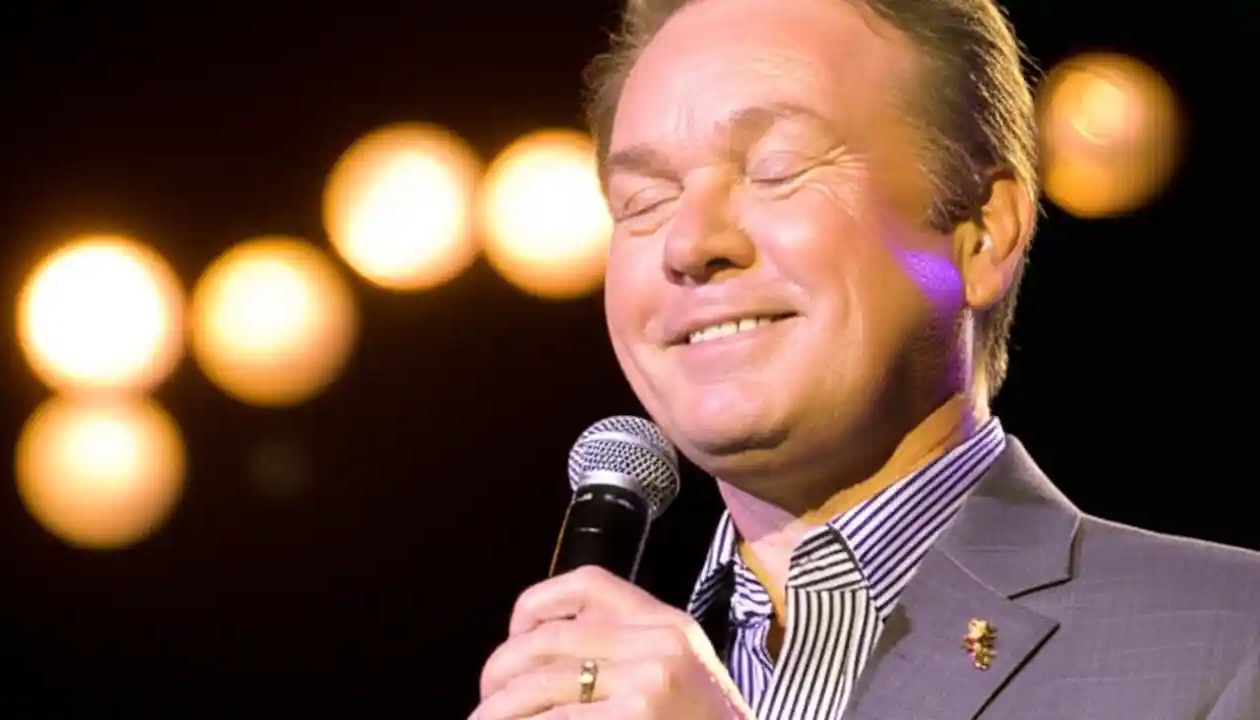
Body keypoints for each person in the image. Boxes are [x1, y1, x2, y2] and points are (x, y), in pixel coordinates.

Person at [469, 0, 1260, 717]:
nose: (689, 244)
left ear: (982, 234)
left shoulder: (1232, 641)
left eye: (776, 171)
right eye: (642, 202)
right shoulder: (599, 688)